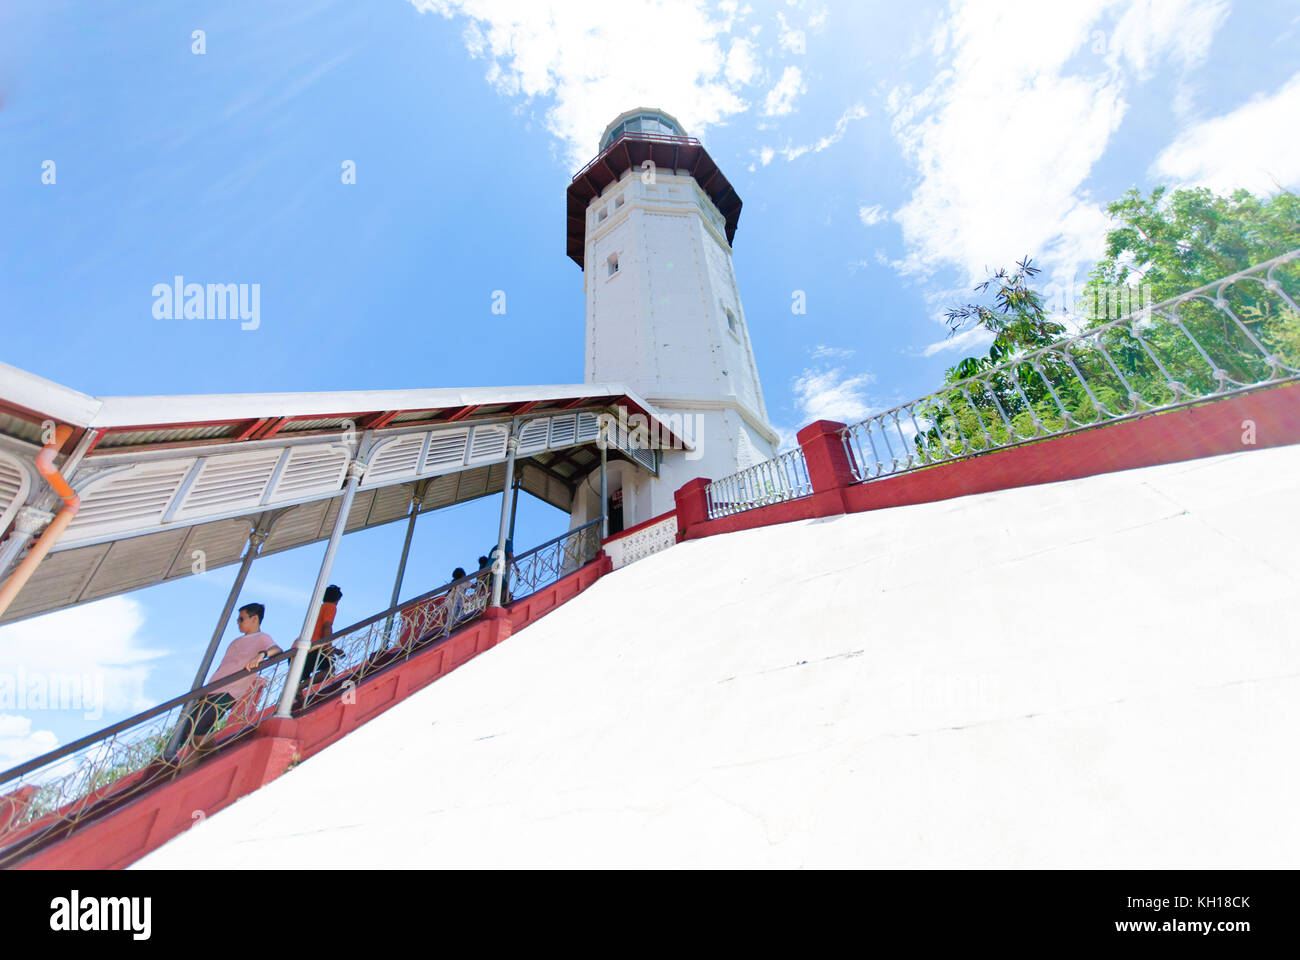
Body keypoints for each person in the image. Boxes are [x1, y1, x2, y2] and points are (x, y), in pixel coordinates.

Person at [163, 603, 280, 764]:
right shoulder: (235, 642)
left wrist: (261, 655)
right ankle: (196, 764)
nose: (238, 622)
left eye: (241, 619)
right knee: (189, 728)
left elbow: (276, 649)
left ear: (255, 619)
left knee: (200, 726)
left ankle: (214, 760)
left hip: (230, 690)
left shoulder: (262, 638)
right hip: (213, 687)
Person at [296, 585, 342, 704]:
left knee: (301, 678)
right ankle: (300, 687)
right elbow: (327, 626)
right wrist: (328, 648)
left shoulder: (318, 608)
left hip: (300, 649)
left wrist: (334, 649)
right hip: (312, 649)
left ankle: (296, 693)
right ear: (337, 600)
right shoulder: (330, 607)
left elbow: (317, 633)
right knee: (329, 670)